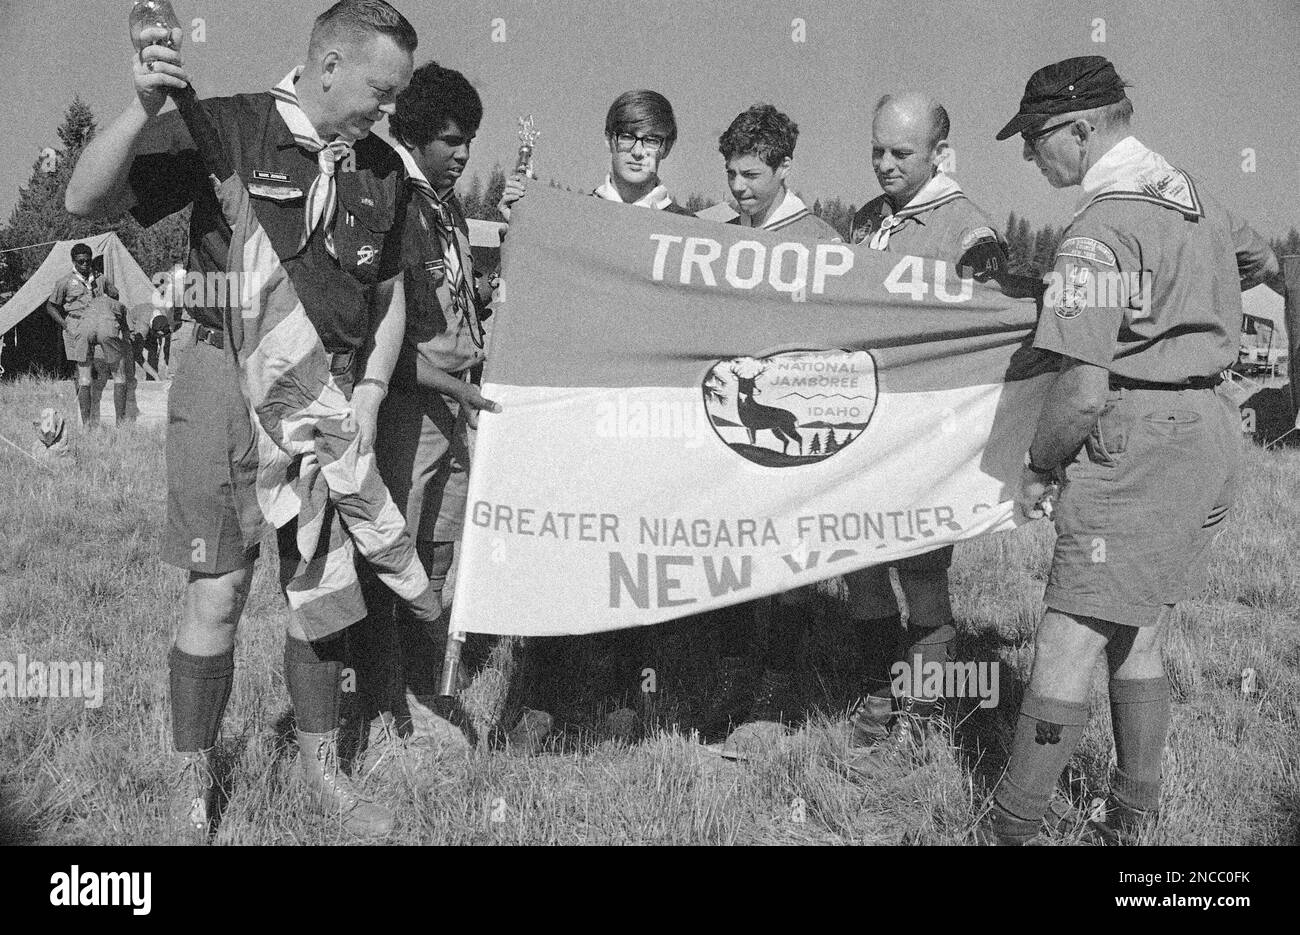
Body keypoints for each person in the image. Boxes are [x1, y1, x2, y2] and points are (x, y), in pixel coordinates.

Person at [66, 0, 424, 841]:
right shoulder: (228, 127)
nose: (390, 108)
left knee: (322, 593)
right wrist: (143, 108)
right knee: (220, 589)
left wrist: (369, 389)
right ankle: (193, 783)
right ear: (329, 65)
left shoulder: (385, 167)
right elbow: (85, 200)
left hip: (327, 399)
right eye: (382, 89)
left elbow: (391, 293)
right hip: (223, 376)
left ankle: (322, 776)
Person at [976, 56, 1283, 845]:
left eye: (1036, 138)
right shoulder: (1192, 192)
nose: (1028, 154)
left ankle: (1012, 825)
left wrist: (1040, 465)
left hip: (1138, 441)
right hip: (1210, 432)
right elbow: (1264, 260)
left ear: (1081, 130)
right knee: (1136, 626)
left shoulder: (1097, 232)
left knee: (1069, 635)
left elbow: (1080, 390)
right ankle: (1135, 818)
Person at [494, 90, 692, 753]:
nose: (640, 150)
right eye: (629, 136)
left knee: (631, 564)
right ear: (609, 140)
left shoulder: (686, 226)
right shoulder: (572, 217)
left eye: (653, 139)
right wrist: (526, 225)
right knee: (564, 556)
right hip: (576, 420)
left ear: (666, 147)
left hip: (645, 423)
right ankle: (543, 698)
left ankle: (616, 702)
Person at [838, 93, 1010, 771]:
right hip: (862, 428)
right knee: (859, 567)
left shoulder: (964, 224)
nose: (883, 164)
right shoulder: (866, 220)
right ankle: (877, 694)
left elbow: (990, 300)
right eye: (876, 150)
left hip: (925, 439)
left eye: (900, 153)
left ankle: (926, 710)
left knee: (923, 579)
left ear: (941, 155)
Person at [350, 60, 500, 756]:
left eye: (469, 137)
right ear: (413, 135)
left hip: (455, 408)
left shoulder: (450, 209)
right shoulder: (391, 201)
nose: (464, 152)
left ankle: (420, 689)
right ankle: (378, 706)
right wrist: (458, 387)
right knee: (392, 552)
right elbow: (376, 340)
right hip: (411, 408)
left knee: (438, 550)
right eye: (450, 139)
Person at [705, 104, 842, 758]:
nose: (739, 187)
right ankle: (732, 677)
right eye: (731, 173)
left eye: (752, 174)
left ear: (785, 168)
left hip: (789, 431)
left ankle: (776, 693)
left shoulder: (820, 242)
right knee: (731, 553)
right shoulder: (721, 234)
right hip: (728, 431)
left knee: (790, 564)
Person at [45, 243, 127, 426]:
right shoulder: (65, 281)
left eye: (88, 261)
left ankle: (120, 423)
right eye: (81, 261)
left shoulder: (100, 278)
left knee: (111, 369)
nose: (85, 265)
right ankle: (86, 423)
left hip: (99, 324)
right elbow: (51, 306)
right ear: (74, 261)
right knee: (83, 372)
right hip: (77, 324)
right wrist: (66, 325)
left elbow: (114, 295)